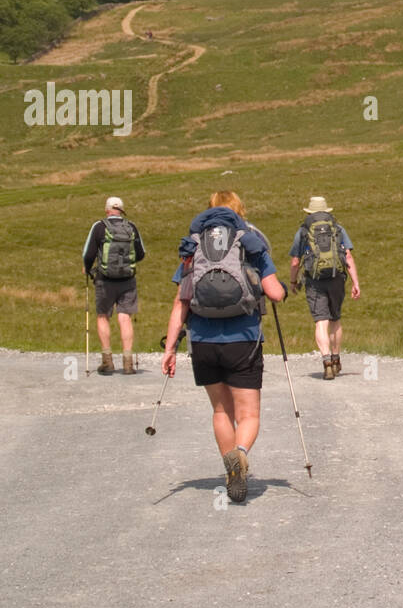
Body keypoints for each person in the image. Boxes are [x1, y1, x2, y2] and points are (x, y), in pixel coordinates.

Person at [162, 191, 285, 503]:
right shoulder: (250, 239)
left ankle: (232, 469)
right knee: (249, 414)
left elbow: (181, 301)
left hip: (202, 340)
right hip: (243, 338)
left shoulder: (195, 243)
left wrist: (170, 349)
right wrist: (279, 287)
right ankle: (240, 456)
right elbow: (274, 293)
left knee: (221, 410)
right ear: (239, 210)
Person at [288, 196, 360, 380]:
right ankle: (336, 360)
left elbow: (295, 261)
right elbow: (348, 257)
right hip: (336, 278)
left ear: (310, 212)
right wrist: (355, 283)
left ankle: (326, 361)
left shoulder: (303, 231)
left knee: (321, 321)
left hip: (314, 280)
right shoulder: (338, 229)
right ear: (327, 211)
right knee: (335, 319)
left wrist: (293, 282)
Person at [81, 196, 146, 374]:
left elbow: (88, 254)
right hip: (128, 280)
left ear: (107, 209)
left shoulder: (99, 227)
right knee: (124, 318)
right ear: (121, 211)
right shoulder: (131, 227)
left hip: (105, 280)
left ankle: (107, 361)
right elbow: (141, 254)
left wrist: (87, 269)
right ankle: (128, 362)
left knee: (103, 316)